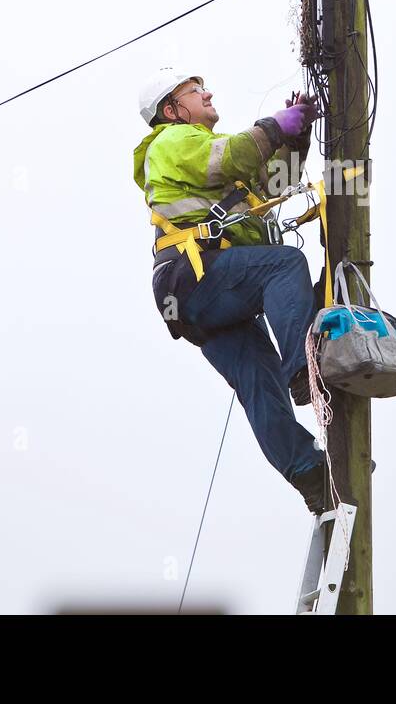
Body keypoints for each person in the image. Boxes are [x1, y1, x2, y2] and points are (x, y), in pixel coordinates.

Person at [133, 58, 331, 514]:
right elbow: (236, 154)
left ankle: (310, 477)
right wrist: (274, 126)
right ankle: (304, 370)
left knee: (258, 383)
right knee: (284, 266)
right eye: (194, 91)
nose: (208, 95)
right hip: (196, 274)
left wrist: (294, 138)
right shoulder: (175, 141)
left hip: (192, 295)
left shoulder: (203, 154)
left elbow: (273, 179)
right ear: (172, 111)